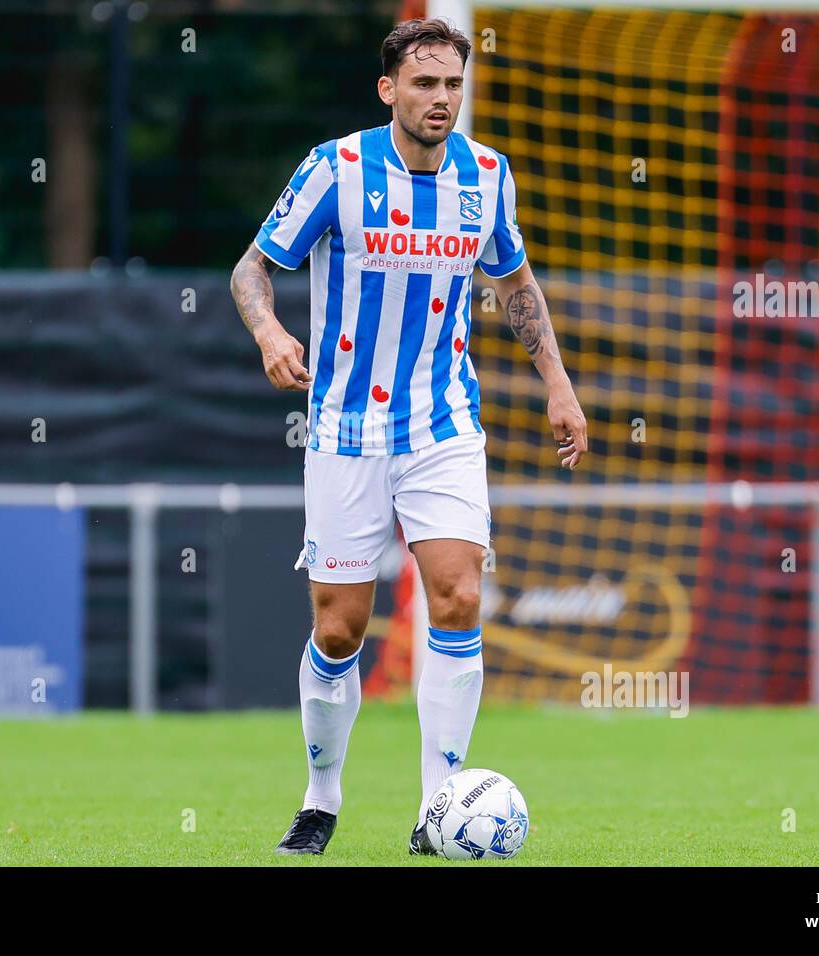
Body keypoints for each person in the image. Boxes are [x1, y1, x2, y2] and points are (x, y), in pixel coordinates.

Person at [229, 16, 588, 856]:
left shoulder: (487, 176)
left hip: (443, 422)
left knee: (459, 596)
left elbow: (517, 285)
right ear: (389, 89)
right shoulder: (337, 168)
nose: (441, 100)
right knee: (341, 629)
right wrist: (272, 336)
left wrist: (560, 387)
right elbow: (253, 267)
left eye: (452, 85)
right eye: (425, 85)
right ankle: (321, 799)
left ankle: (440, 807)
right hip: (346, 426)